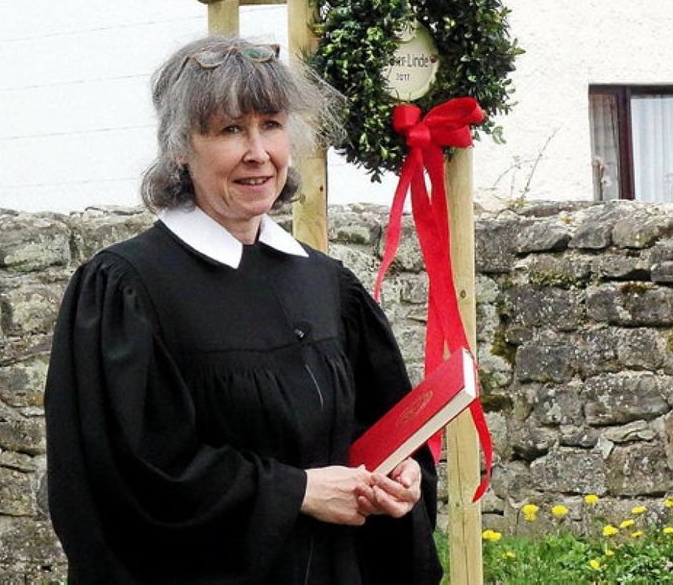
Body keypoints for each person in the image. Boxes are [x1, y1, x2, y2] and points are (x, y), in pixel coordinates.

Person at [44, 36, 443, 584]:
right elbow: (126, 481)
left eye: (271, 125)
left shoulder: (328, 285)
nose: (259, 152)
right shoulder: (127, 290)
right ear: (181, 148)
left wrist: (400, 478)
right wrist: (297, 492)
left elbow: (376, 427)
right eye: (231, 130)